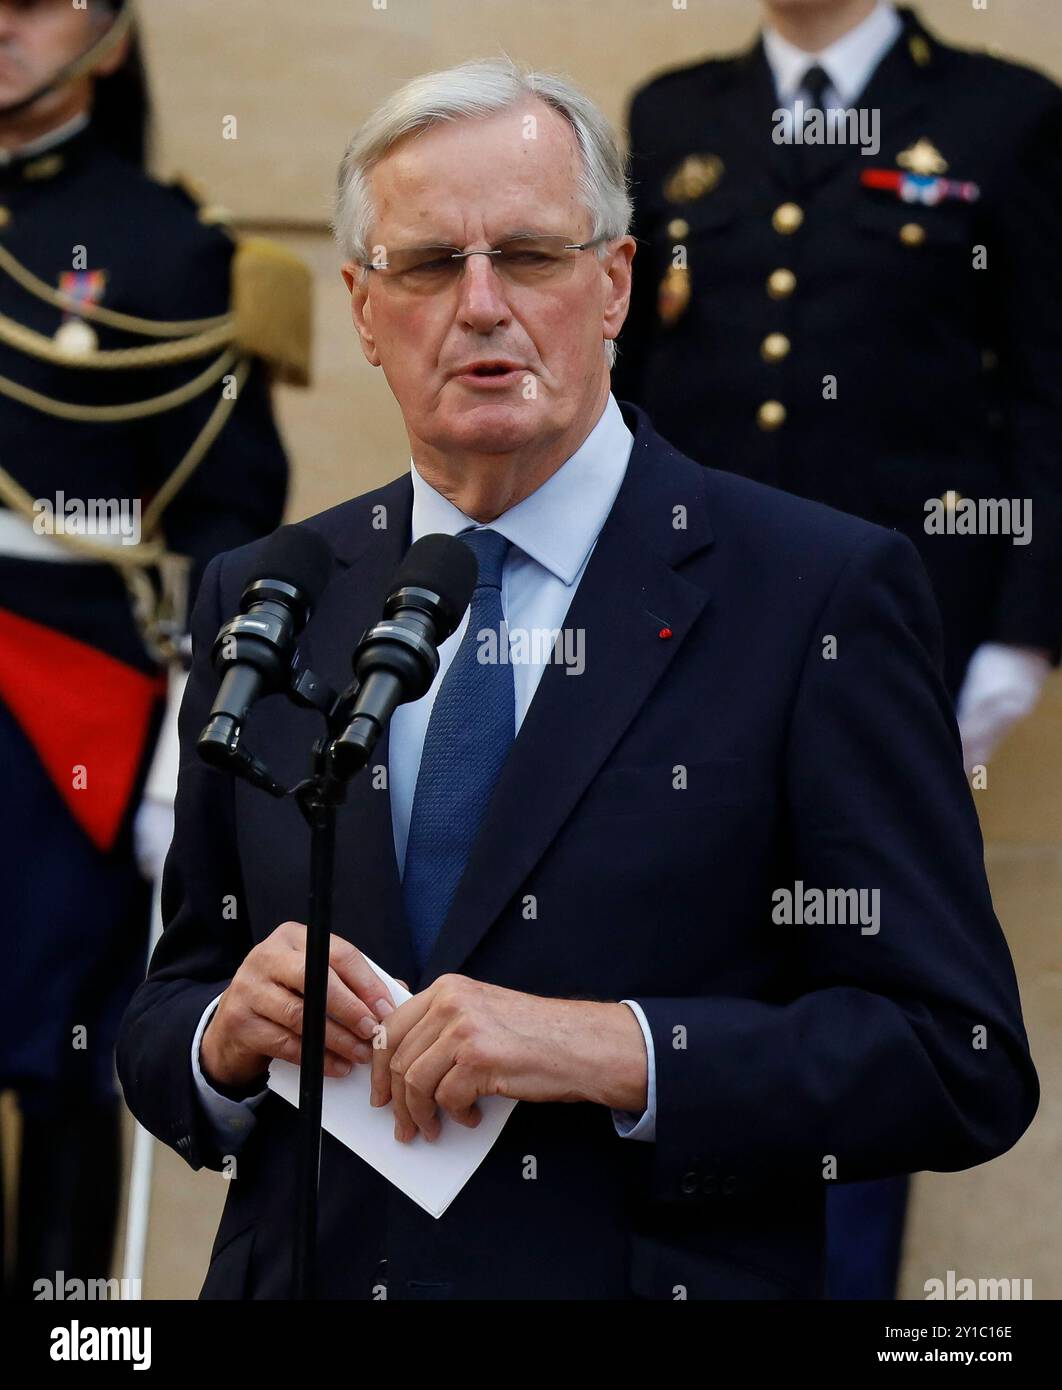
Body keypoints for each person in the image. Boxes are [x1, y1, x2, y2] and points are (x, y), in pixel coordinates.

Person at [117, 57, 1036, 1301]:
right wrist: (222, 1038)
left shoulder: (813, 592)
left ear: (615, 284)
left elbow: (953, 1056)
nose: (482, 304)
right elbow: (171, 1001)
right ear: (363, 305)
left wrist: (622, 1048)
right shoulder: (270, 592)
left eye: (533, 256)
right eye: (431, 264)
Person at [612, 0, 1062, 1297]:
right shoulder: (674, 113)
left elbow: (1046, 386)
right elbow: (625, 379)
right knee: (658, 980)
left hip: (892, 656)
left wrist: (1019, 638)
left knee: (867, 1002)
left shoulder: (1002, 113)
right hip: (675, 638)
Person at [0, 0, 306, 1295]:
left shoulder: (172, 246)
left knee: (60, 1051)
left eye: (35, 5)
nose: (2, 27)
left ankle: (65, 1320)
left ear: (110, 39)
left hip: (58, 695)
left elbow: (229, 515)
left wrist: (195, 726)